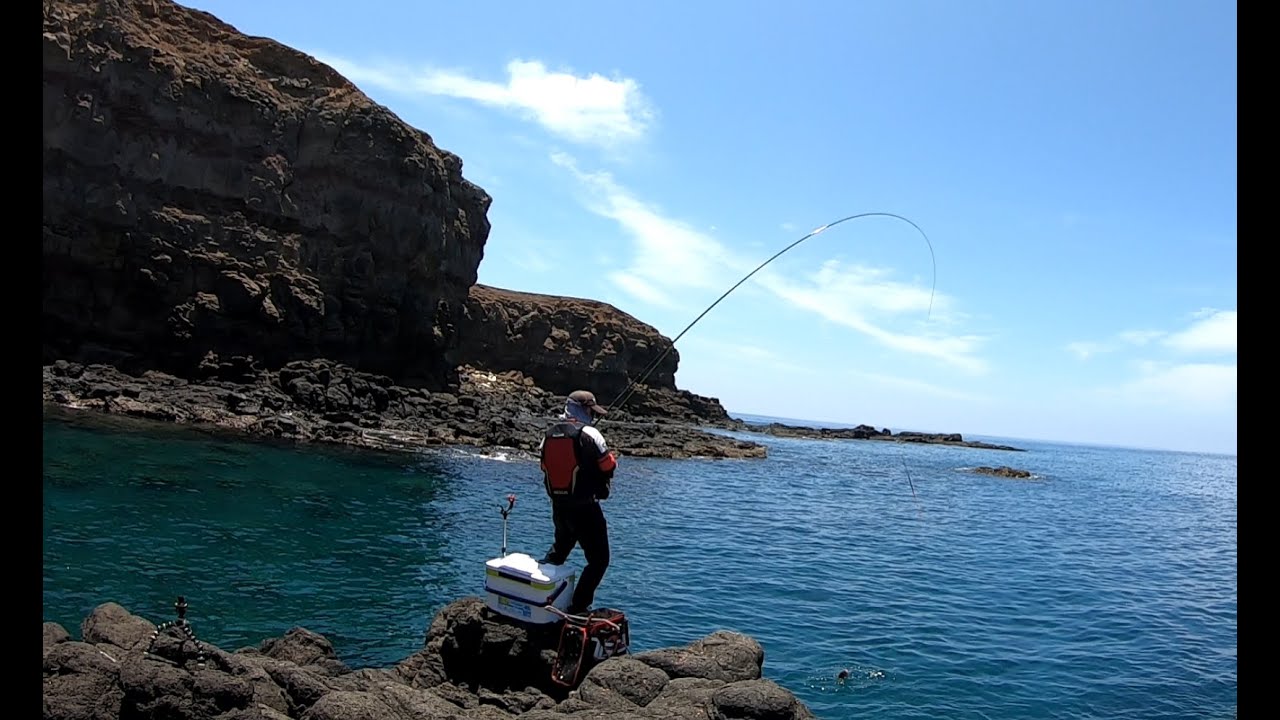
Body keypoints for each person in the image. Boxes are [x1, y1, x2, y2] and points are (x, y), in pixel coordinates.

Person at [538, 389, 618, 615]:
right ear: (583, 410)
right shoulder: (591, 434)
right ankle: (579, 607)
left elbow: (544, 468)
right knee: (599, 560)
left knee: (559, 551)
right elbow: (608, 466)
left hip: (559, 507)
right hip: (586, 509)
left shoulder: (548, 435)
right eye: (591, 411)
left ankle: (541, 596)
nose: (593, 415)